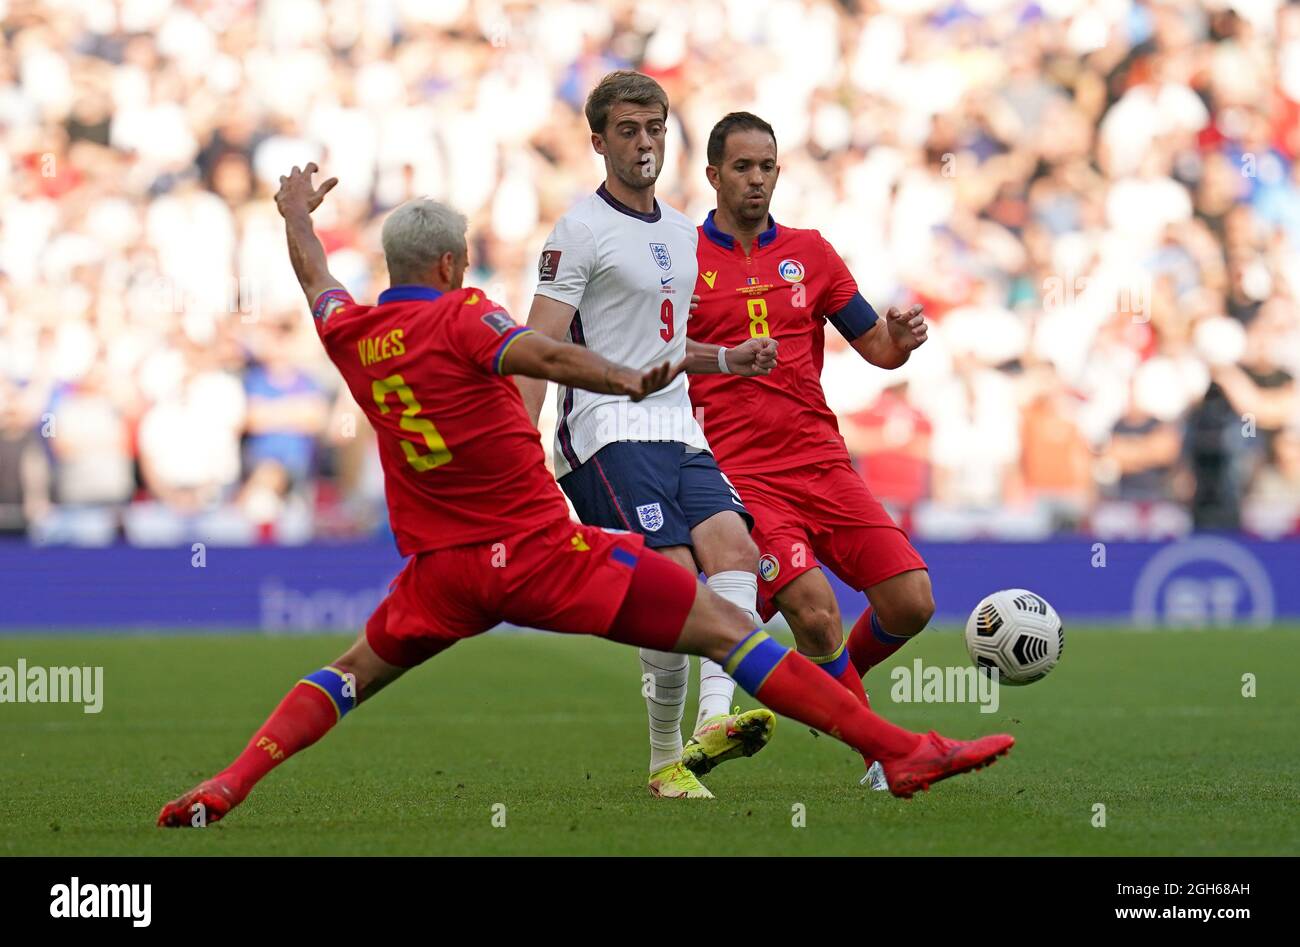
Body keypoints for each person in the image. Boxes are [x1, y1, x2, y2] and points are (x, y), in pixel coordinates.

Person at [157, 164, 1014, 826]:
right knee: (729, 629)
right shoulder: (465, 314)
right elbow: (546, 353)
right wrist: (623, 377)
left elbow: (316, 280)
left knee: (346, 674)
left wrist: (296, 216)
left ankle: (229, 782)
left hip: (441, 573)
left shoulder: (352, 330)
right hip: (541, 557)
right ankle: (899, 749)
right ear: (452, 263)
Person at [517, 72, 780, 798]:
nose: (644, 143)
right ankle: (665, 760)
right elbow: (537, 347)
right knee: (671, 581)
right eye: (628, 130)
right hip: (605, 428)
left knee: (736, 553)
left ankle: (712, 723)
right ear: (599, 142)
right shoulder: (579, 231)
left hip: (677, 423)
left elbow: (664, 344)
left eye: (655, 128)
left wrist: (725, 359)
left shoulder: (682, 232)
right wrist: (522, 451)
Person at [687, 113, 935, 791]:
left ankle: (824, 686)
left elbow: (877, 347)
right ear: (713, 175)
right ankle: (882, 754)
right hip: (740, 478)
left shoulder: (812, 252)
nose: (757, 179)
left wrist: (900, 338)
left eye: (767, 166)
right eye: (742, 167)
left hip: (823, 463)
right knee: (817, 611)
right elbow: (652, 354)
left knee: (911, 602)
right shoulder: (680, 259)